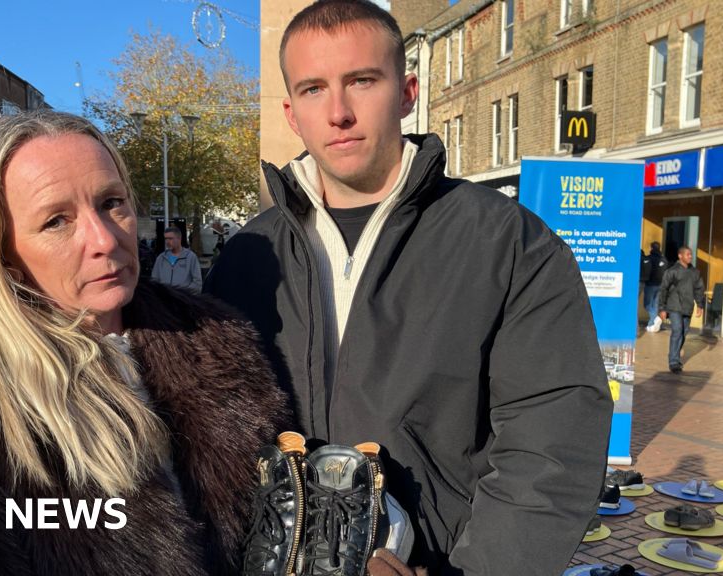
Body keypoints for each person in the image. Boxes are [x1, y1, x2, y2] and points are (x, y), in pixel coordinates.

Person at [206, 1, 613, 573]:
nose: (339, 112)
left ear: (406, 92)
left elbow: (552, 439)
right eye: (314, 89)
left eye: (362, 81)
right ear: (292, 113)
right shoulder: (250, 256)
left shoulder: (507, 243)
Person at [0, 110, 291, 575]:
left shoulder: (216, 337)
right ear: (1, 251)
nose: (104, 239)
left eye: (112, 202)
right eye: (56, 221)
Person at [658, 245, 706, 373]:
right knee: (677, 331)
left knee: (684, 334)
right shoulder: (672, 271)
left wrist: (700, 305)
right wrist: (662, 308)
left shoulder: (695, 272)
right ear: (680, 256)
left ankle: (675, 354)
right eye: (687, 254)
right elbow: (663, 289)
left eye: (691, 254)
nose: (690, 257)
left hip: (688, 307)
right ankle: (674, 362)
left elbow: (699, 289)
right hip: (674, 306)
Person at [152, 227, 202, 293]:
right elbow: (154, 280)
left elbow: (197, 283)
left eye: (170, 238)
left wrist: (182, 294)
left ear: (179, 239)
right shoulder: (161, 258)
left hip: (183, 300)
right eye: (166, 239)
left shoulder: (190, 257)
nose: (167, 241)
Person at [642, 241, 668, 332]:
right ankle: (652, 324)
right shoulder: (664, 259)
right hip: (661, 285)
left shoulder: (649, 258)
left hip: (650, 284)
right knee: (655, 305)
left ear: (651, 248)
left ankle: (656, 319)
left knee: (647, 305)